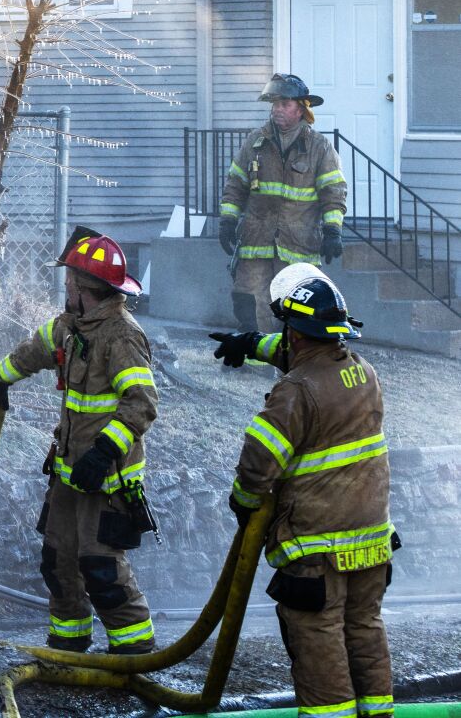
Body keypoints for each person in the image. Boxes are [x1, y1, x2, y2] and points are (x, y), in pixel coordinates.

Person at [217, 264, 394, 718]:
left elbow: (259, 460)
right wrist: (251, 344)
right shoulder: (361, 371)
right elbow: (310, 355)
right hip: (371, 540)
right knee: (364, 627)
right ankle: (378, 713)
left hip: (319, 546)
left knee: (318, 635)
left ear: (295, 331)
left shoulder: (295, 392)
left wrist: (245, 499)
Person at [0, 228, 159, 654]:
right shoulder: (71, 326)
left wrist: (105, 452)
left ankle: (134, 657)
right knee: (58, 564)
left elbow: (141, 403)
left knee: (101, 569)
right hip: (69, 475)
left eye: (70, 281)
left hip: (107, 480)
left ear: (86, 288)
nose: (65, 287)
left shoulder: (120, 337)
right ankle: (67, 648)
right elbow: (33, 350)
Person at [219, 73, 348, 331]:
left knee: (297, 306)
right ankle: (255, 359)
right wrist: (228, 220)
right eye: (274, 104)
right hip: (256, 241)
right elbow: (235, 185)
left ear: (301, 109)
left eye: (284, 104)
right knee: (248, 298)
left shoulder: (319, 147)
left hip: (298, 245)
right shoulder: (255, 143)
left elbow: (333, 192)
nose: (277, 109)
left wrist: (333, 230)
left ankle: (292, 358)